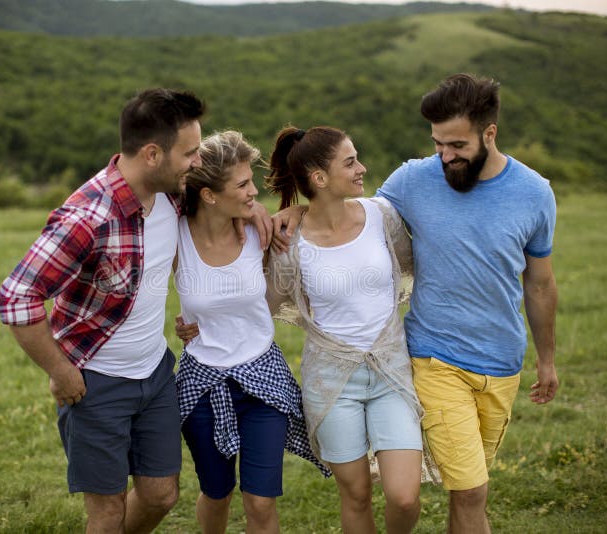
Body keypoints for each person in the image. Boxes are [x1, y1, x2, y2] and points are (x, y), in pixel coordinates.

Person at [274, 74, 559, 533]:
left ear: (490, 133)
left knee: (467, 490)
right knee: (469, 491)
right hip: (433, 359)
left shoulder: (535, 193)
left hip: (503, 362)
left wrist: (546, 359)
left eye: (456, 145)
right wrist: (299, 209)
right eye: (437, 144)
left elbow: (540, 284)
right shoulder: (413, 179)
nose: (444, 156)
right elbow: (349, 214)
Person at [0, 88, 272, 533]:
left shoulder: (172, 196)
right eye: (188, 153)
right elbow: (16, 296)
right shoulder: (88, 218)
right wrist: (61, 370)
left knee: (162, 495)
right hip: (96, 383)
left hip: (156, 374)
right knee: (105, 512)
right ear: (151, 154)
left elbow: (217, 202)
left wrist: (255, 206)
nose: (195, 162)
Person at [264, 125, 438, 534]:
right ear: (319, 178)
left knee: (404, 495)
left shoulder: (382, 215)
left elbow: (414, 265)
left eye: (357, 157)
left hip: (390, 371)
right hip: (331, 382)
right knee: (356, 494)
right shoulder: (289, 241)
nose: (362, 168)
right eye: (350, 162)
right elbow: (263, 306)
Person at [173, 130, 328, 534]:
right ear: (208, 195)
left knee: (260, 501)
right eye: (242, 184)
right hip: (202, 381)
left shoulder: (259, 233)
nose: (252, 191)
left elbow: (318, 214)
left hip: (262, 377)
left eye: (252, 183)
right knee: (216, 493)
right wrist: (180, 325)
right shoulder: (175, 237)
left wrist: (278, 210)